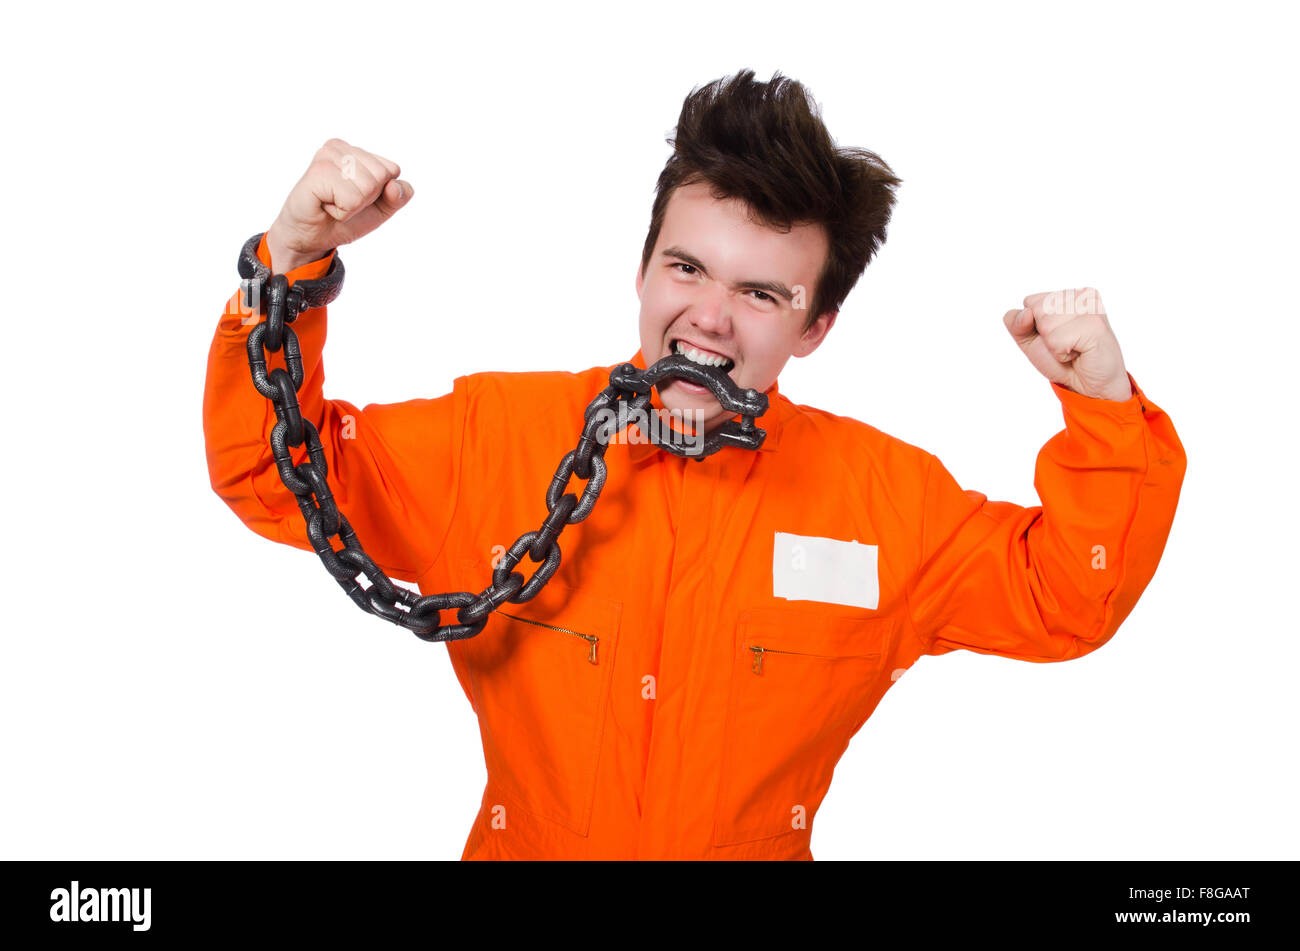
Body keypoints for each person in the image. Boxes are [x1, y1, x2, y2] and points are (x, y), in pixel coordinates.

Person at [203, 69, 1187, 860]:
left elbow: (1065, 596)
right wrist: (287, 263)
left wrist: (1102, 408)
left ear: (815, 326)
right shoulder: (490, 438)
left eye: (762, 293)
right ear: (643, 270)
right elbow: (267, 472)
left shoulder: (887, 503)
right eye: (686, 268)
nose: (709, 317)